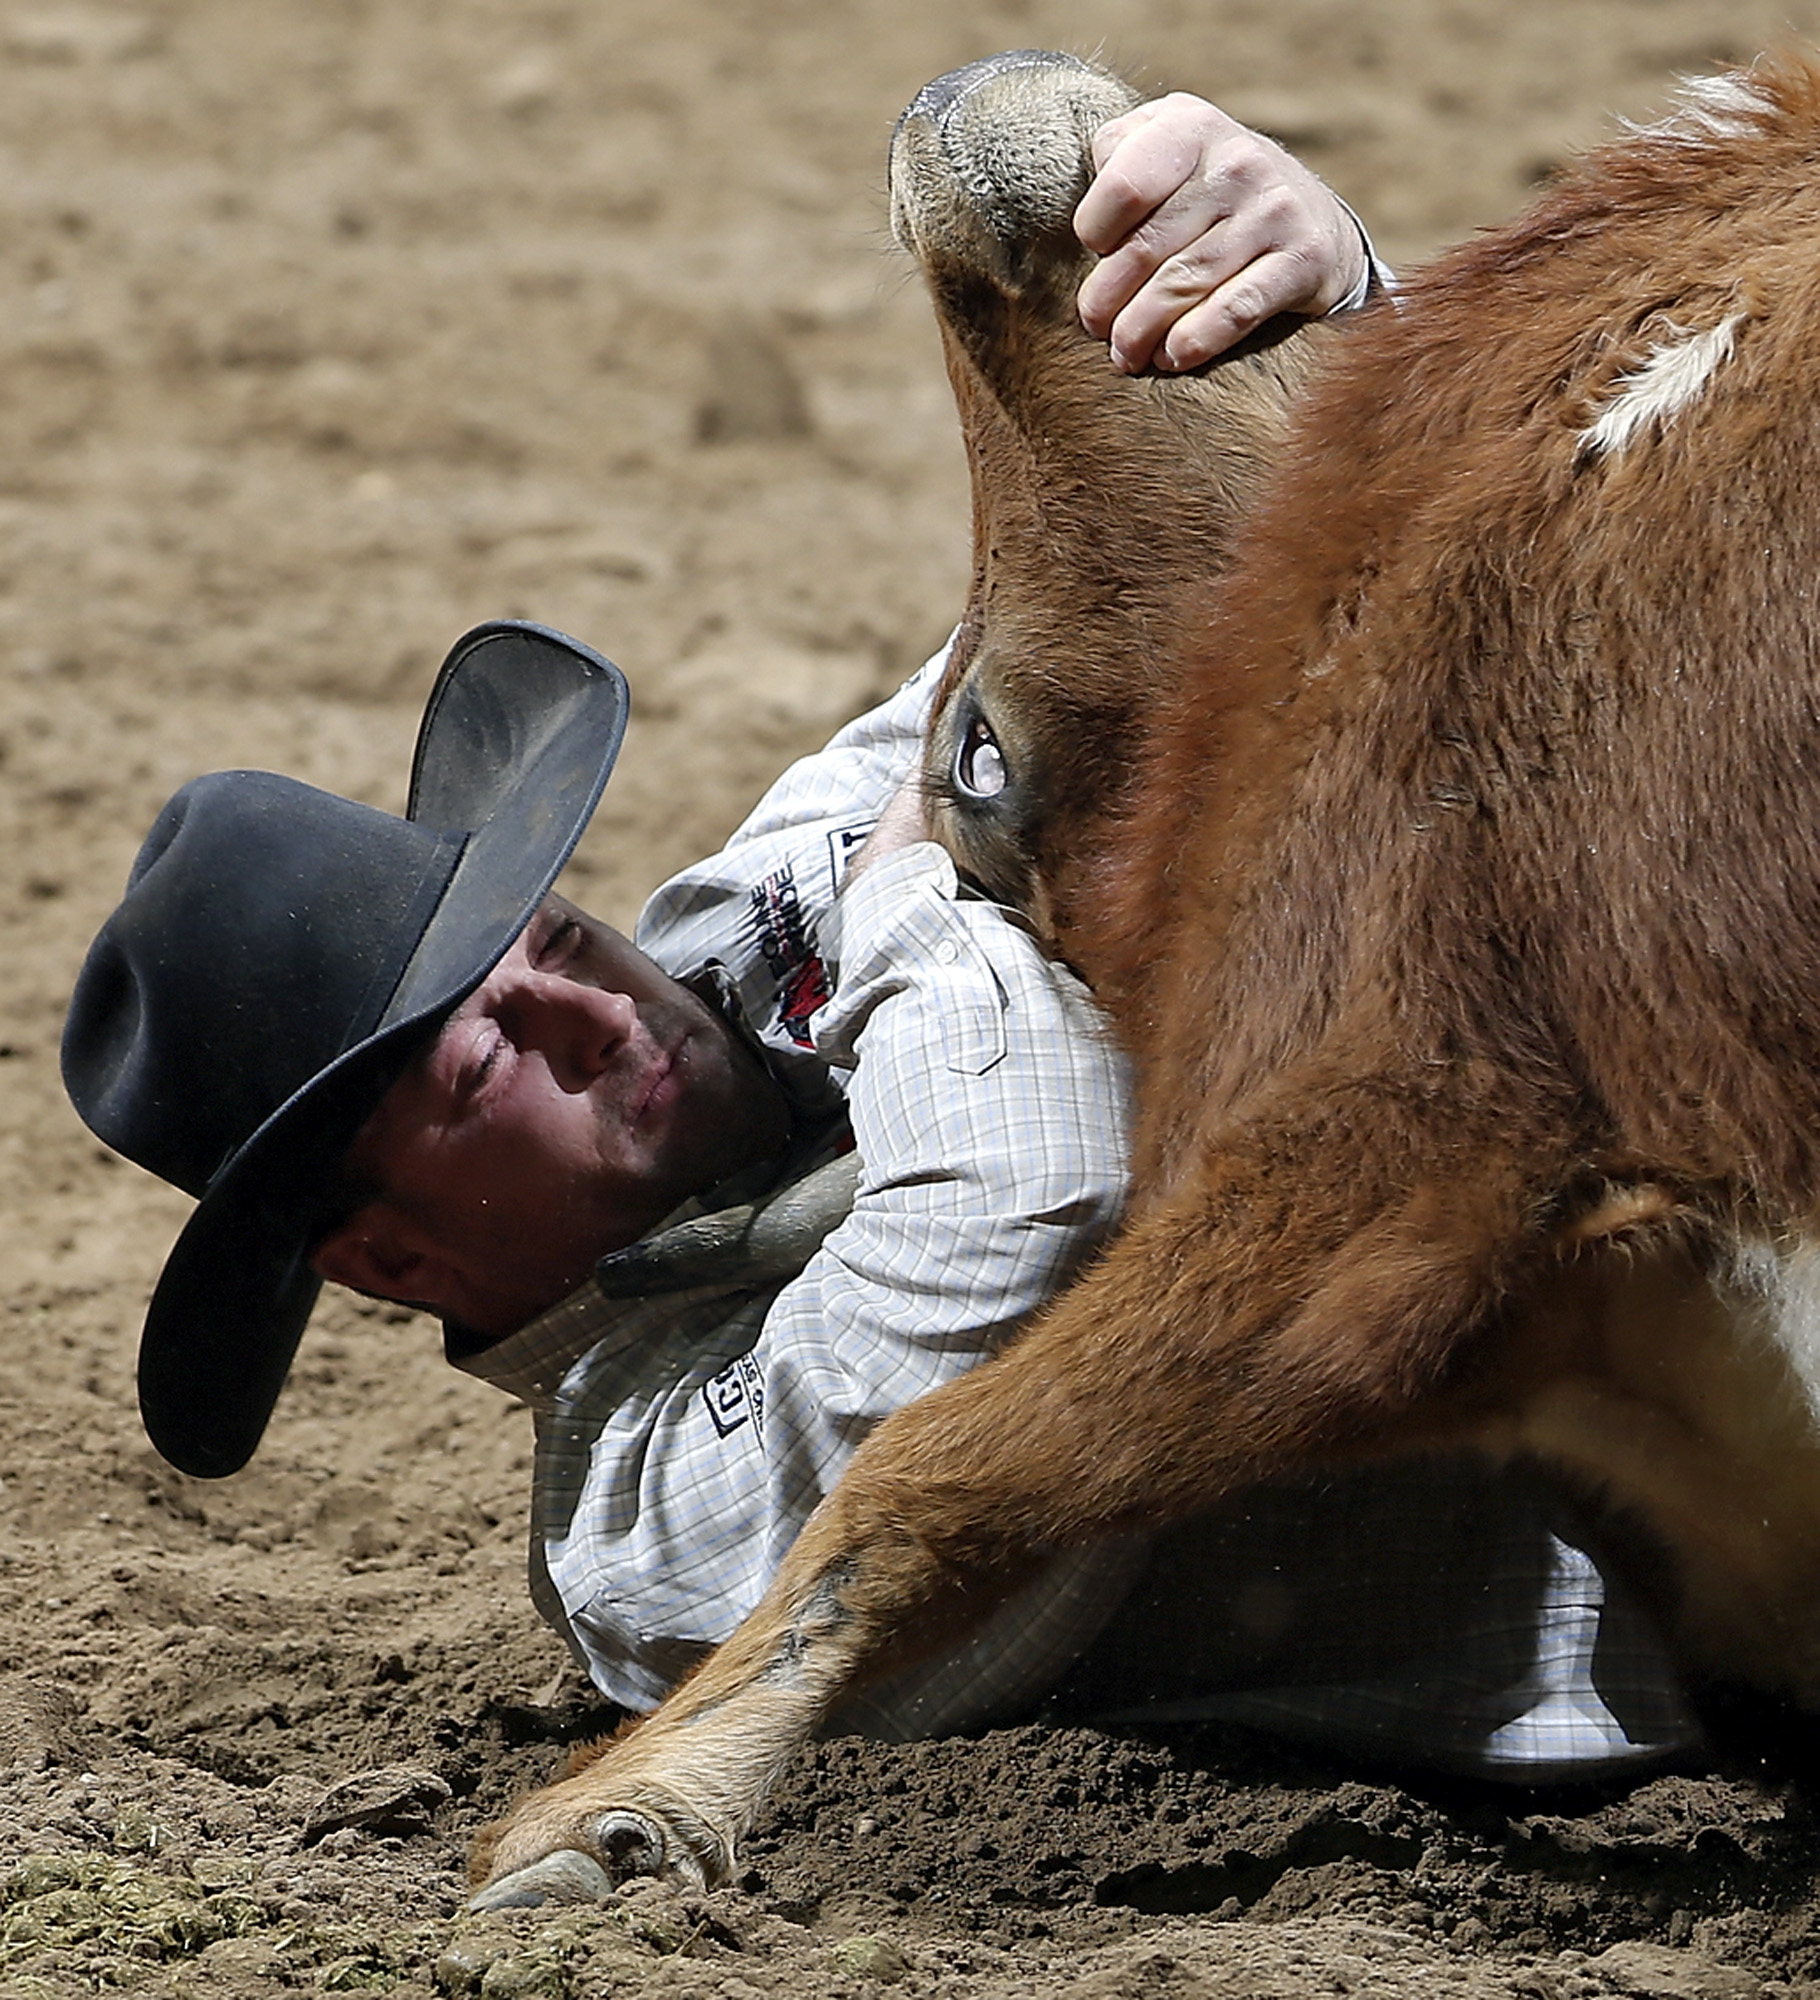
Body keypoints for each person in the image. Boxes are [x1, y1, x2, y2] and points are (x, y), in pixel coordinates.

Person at [63, 94, 1699, 1774]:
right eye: (490, 1052)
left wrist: (1314, 291)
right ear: (395, 1263)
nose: (590, 1001)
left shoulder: (735, 921)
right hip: (1703, 1576)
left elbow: (1141, 636)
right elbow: (1041, 1198)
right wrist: (929, 866)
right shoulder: (648, 1534)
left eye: (543, 934)